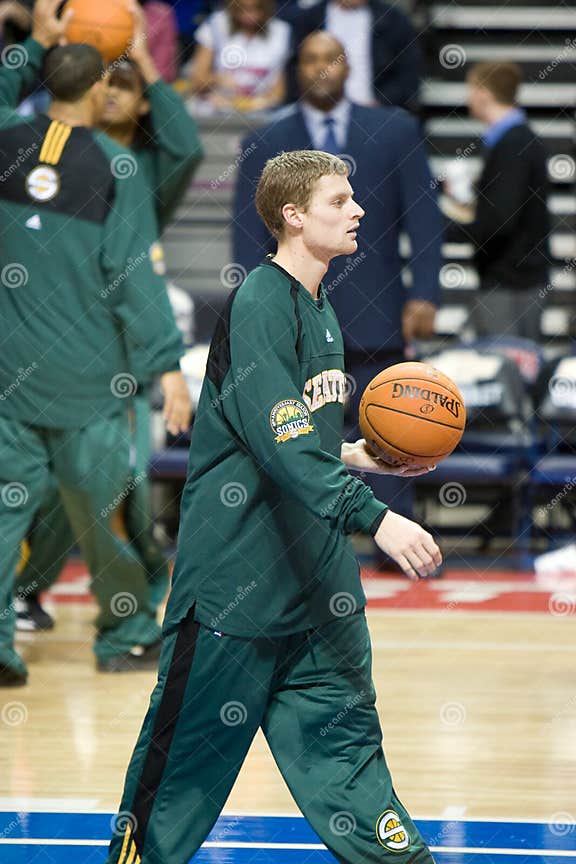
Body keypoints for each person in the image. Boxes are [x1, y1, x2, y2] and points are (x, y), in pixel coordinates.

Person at [107, 149, 440, 864]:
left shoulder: (320, 304)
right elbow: (281, 447)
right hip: (235, 588)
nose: (357, 210)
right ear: (293, 215)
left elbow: (292, 432)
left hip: (318, 590)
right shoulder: (259, 299)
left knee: (348, 755)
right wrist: (378, 515)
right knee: (181, 775)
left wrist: (355, 453)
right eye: (339, 200)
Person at [0, 0, 190, 685]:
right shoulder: (117, 168)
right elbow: (133, 277)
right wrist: (167, 367)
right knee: (105, 516)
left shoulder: (4, 143)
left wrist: (34, 46)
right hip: (89, 382)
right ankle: (128, 635)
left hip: (8, 377)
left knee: (5, 510)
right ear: (99, 89)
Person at [233, 32, 442, 566]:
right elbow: (246, 231)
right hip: (295, 307)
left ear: (347, 67)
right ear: (296, 67)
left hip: (377, 306)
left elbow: (423, 216)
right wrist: (250, 295)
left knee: (391, 422)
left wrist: (425, 292)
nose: (321, 68)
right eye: (310, 59)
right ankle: (310, 546)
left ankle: (398, 554)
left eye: (331, 58)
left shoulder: (395, 129)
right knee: (296, 422)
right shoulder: (267, 138)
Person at [442, 62, 550, 341]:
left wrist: (445, 229)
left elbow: (499, 221)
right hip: (515, 279)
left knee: (508, 367)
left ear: (484, 94)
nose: (467, 98)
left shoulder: (513, 144)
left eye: (470, 89)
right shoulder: (513, 141)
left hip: (511, 283)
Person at [281, 0, 421, 110]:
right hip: (316, 111)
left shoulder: (394, 20)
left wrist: (379, 104)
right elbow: (294, 70)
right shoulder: (306, 19)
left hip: (378, 111)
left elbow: (408, 75)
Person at [188, 0, 291, 113]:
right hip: (216, 111)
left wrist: (255, 103)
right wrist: (217, 79)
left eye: (256, 7)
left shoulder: (281, 31)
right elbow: (197, 81)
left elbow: (278, 93)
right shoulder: (215, 25)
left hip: (259, 113)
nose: (249, 15)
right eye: (243, 8)